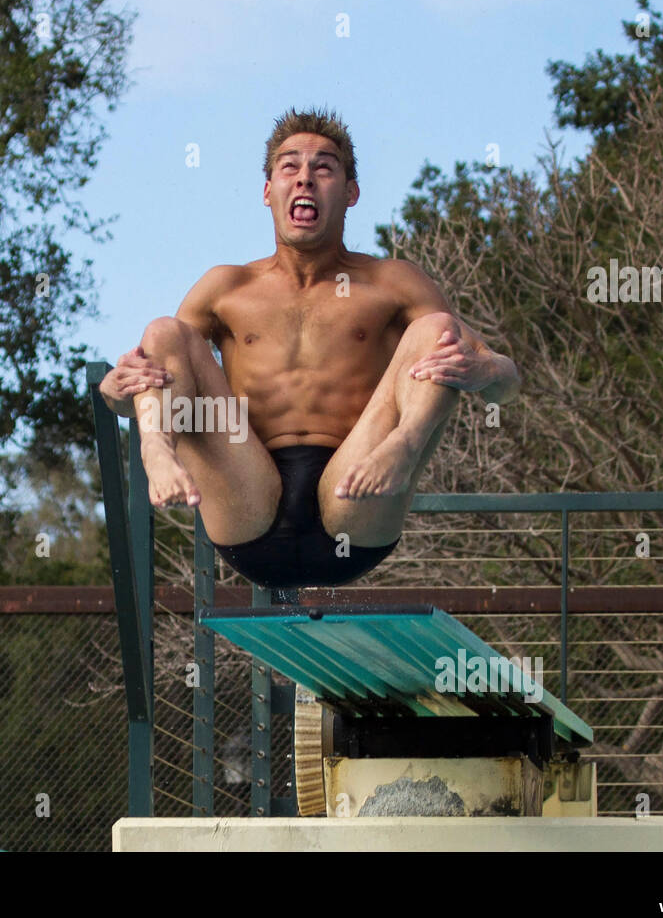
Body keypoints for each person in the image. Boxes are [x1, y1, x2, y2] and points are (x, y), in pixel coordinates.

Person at [98, 108, 519, 588]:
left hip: (355, 498)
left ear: (351, 191)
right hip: (247, 502)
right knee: (164, 333)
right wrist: (114, 390)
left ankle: (403, 446)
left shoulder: (391, 282)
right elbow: (142, 387)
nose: (305, 180)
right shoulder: (226, 287)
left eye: (323, 168)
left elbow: (505, 384)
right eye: (289, 167)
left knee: (438, 330)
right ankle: (156, 452)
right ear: (267, 191)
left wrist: (484, 369)